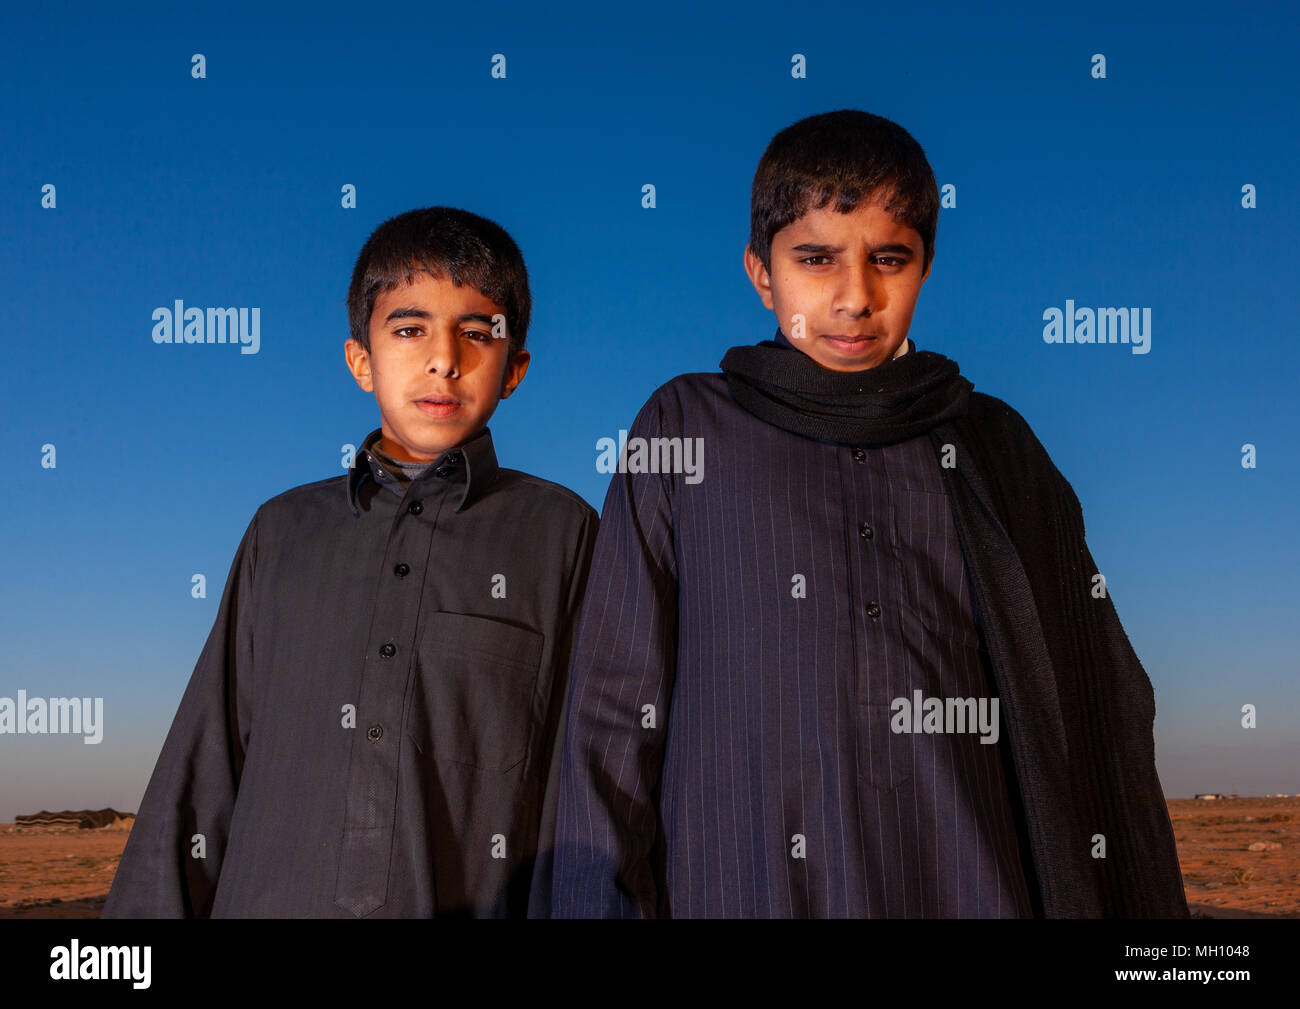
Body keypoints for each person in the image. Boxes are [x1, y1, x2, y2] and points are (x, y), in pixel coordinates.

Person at [552, 109, 1188, 918]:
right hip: (738, 886)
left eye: (890, 258)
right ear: (761, 272)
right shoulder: (683, 428)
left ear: (926, 266)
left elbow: (1096, 697)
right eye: (815, 258)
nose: (855, 297)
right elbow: (612, 710)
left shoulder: (993, 444)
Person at [103, 206, 597, 917]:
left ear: (514, 368)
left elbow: (578, 785)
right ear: (360, 359)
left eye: (476, 331)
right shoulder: (282, 532)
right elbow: (204, 764)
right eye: (409, 328)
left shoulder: (563, 535)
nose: (443, 357)